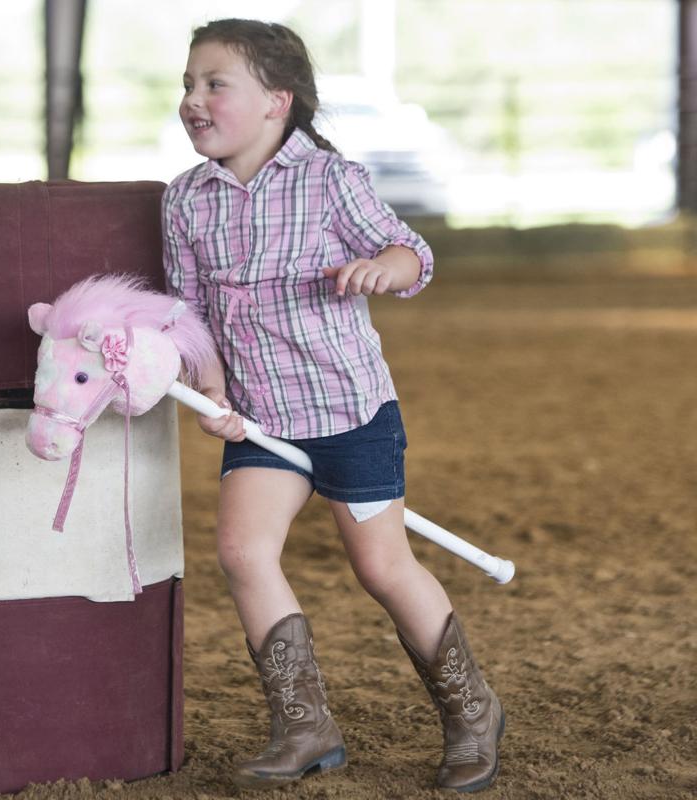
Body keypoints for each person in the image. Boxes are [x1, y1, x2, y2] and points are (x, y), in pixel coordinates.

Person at [162, 18, 504, 793]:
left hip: (350, 413)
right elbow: (190, 316)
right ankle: (305, 727)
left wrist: (381, 268)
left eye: (216, 84)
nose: (193, 99)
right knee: (244, 554)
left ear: (277, 101)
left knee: (381, 566)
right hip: (264, 421)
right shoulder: (185, 201)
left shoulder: (329, 182)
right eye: (188, 84)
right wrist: (212, 389)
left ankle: (472, 714)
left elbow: (412, 253)